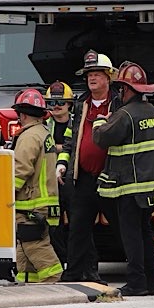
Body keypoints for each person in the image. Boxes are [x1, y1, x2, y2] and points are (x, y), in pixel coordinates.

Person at [93, 62, 154, 296]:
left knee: (131, 236)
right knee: (144, 233)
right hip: (152, 187)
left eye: (121, 88)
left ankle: (137, 282)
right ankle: (153, 281)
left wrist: (100, 121)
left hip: (130, 187)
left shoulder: (125, 114)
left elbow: (102, 139)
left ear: (127, 90)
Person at [58, 51, 120, 283]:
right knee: (78, 228)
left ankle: (141, 272)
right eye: (89, 74)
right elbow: (70, 138)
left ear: (108, 78)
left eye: (96, 74)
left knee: (122, 227)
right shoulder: (80, 104)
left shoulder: (118, 103)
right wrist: (63, 164)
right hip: (83, 176)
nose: (92, 78)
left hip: (112, 175)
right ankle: (74, 273)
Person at [11, 89, 62, 283]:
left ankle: (53, 280)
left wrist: (6, 193)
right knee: (24, 248)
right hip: (43, 202)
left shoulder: (29, 137)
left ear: (22, 114)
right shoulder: (43, 133)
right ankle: (29, 283)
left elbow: (21, 169)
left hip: (31, 204)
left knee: (34, 244)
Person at [45, 81, 74, 266]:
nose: (55, 107)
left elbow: (74, 147)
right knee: (54, 226)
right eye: (51, 103)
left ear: (69, 104)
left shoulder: (76, 122)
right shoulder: (45, 124)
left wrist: (57, 149)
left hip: (71, 181)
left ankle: (73, 261)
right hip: (49, 182)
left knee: (74, 224)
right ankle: (60, 260)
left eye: (60, 103)